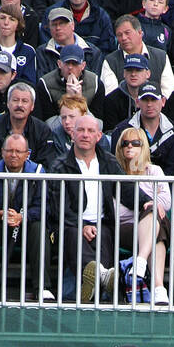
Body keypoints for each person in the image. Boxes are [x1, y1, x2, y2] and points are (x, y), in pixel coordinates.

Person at [50, 113, 125, 298]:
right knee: (74, 234)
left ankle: (94, 288)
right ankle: (102, 277)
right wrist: (82, 225)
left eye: (90, 131)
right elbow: (58, 207)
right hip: (70, 225)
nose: (85, 134)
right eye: (80, 130)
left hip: (102, 224)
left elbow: (128, 189)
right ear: (72, 135)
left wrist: (148, 201)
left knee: (105, 235)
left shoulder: (109, 162)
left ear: (98, 136)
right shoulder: (60, 166)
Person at [0, 132, 55, 301]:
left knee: (39, 227)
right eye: (9, 150)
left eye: (18, 151)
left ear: (27, 154)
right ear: (2, 152)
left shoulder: (38, 173)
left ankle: (42, 287)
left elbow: (44, 207)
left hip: (26, 226)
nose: (13, 155)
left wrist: (23, 217)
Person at [112, 127, 172, 302]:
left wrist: (150, 205)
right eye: (125, 143)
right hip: (126, 228)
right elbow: (117, 211)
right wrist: (144, 202)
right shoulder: (116, 172)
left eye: (135, 143)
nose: (130, 147)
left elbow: (166, 202)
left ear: (143, 146)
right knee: (155, 223)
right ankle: (159, 288)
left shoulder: (154, 171)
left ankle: (141, 261)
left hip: (154, 225)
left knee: (154, 216)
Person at [0, 80, 57, 169]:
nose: (19, 105)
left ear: (32, 106)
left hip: (32, 182)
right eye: (15, 100)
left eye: (25, 101)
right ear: (7, 103)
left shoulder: (42, 130)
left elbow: (45, 167)